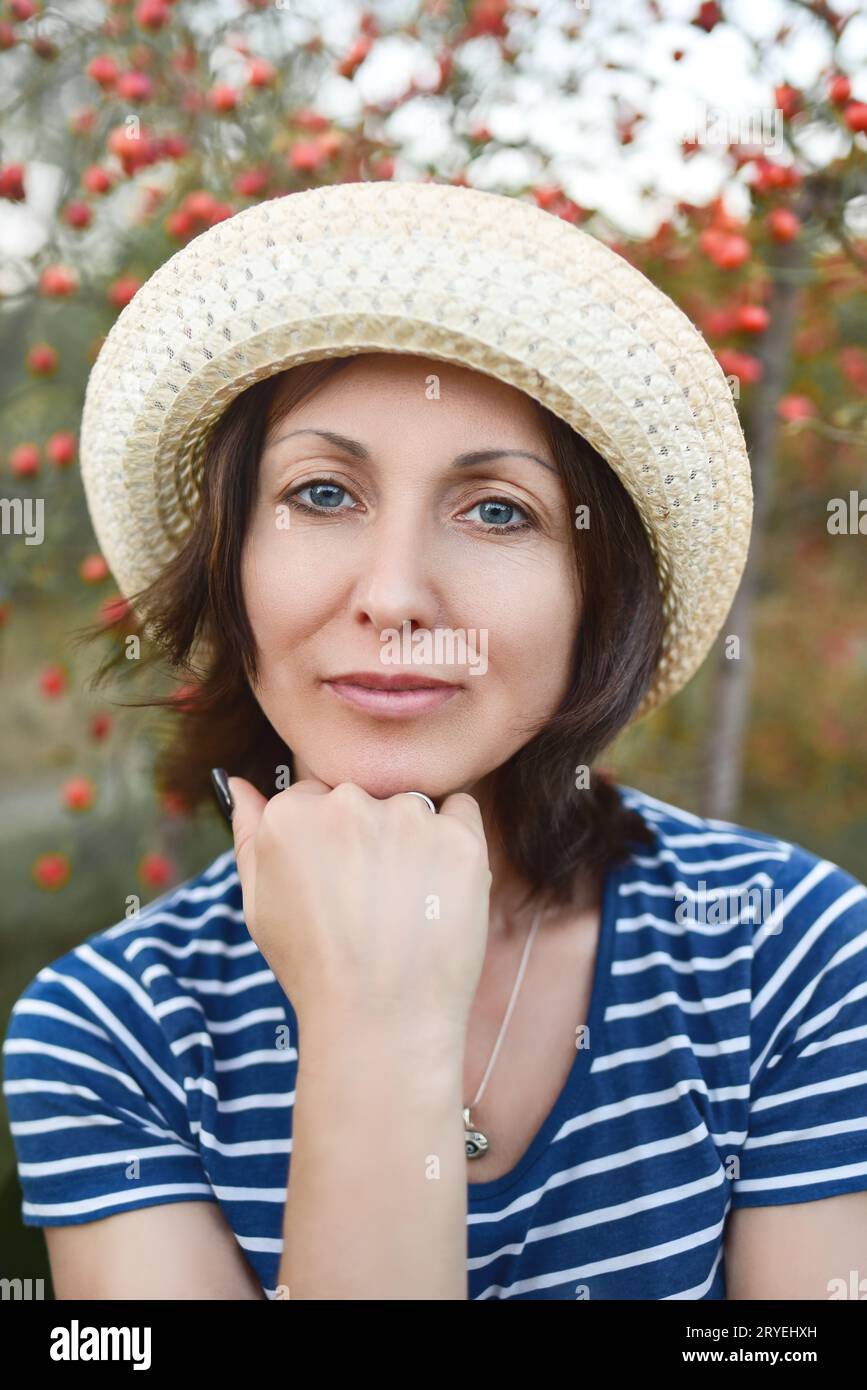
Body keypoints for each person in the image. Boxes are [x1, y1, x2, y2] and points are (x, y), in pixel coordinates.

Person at [3, 182, 866, 1301]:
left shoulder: (784, 956)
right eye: (322, 493)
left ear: (594, 594)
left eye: (499, 510)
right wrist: (376, 1025)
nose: (396, 595)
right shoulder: (110, 1033)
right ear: (232, 566)